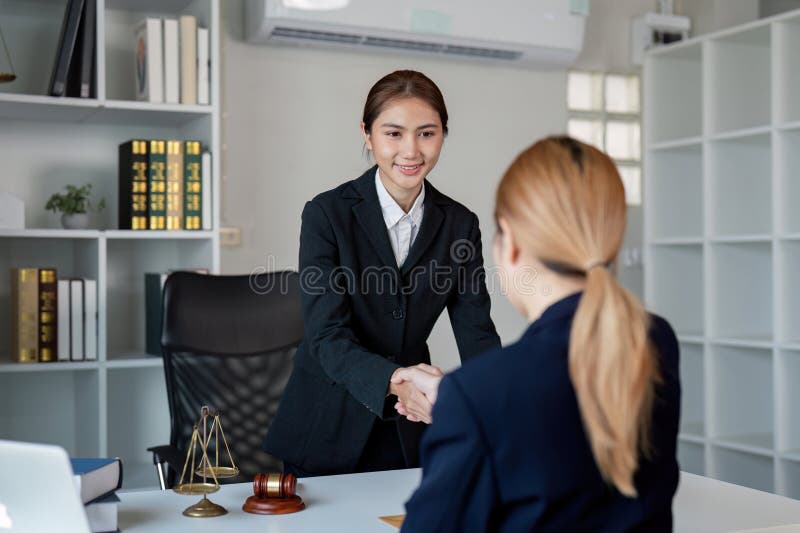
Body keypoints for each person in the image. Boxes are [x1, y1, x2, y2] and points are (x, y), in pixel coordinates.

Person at [397, 136, 681, 531]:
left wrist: (464, 403)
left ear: (509, 243)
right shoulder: (654, 340)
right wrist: (464, 400)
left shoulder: (481, 394)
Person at [263, 70, 501, 477]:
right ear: (367, 134)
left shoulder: (460, 224)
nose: (411, 151)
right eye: (394, 133)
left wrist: (499, 403)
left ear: (444, 133)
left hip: (407, 434)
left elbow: (476, 331)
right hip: (325, 427)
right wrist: (398, 381)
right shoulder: (327, 215)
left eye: (427, 133)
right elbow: (326, 337)